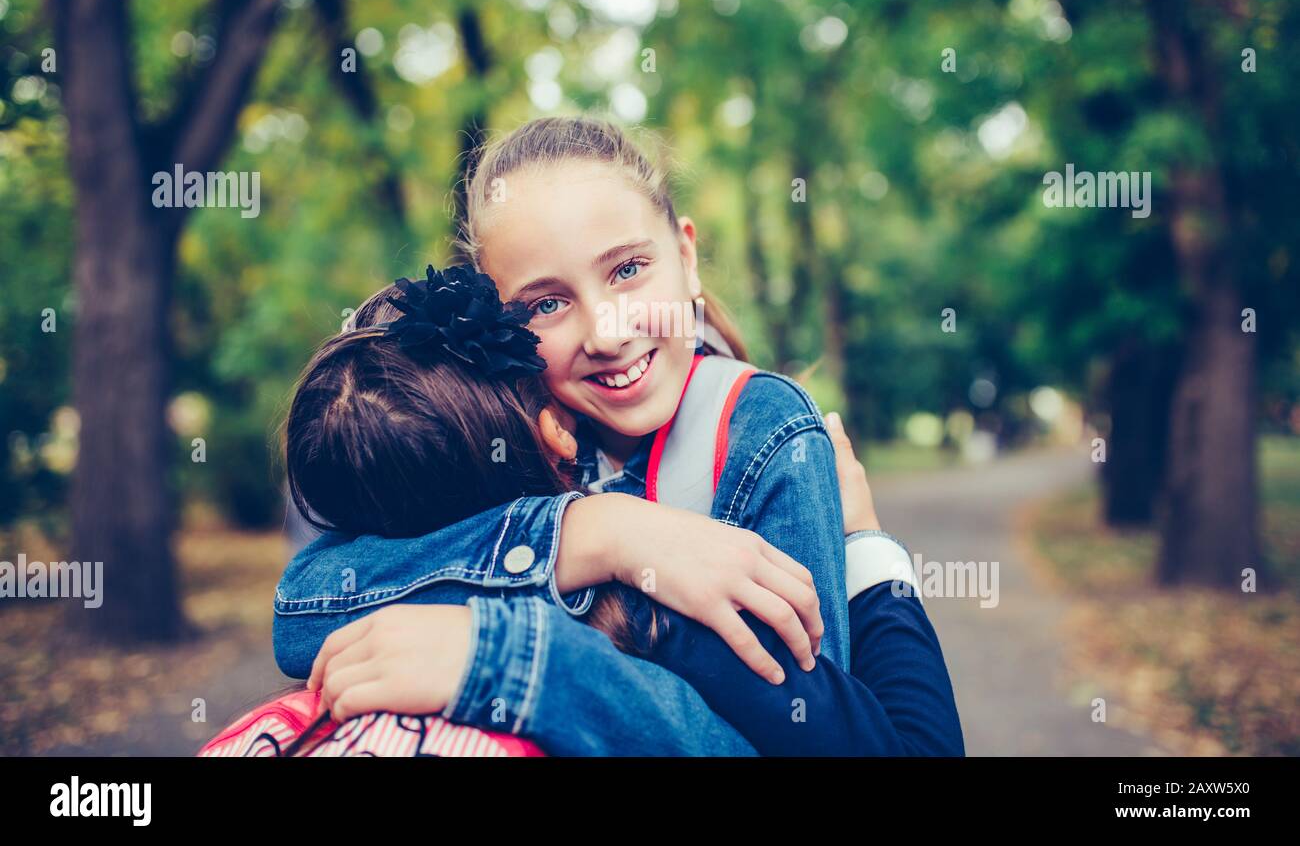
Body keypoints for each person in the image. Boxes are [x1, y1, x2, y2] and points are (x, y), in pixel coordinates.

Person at [275, 117, 961, 755]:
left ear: (686, 257)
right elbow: (303, 609)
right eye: (546, 304)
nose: (606, 332)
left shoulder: (762, 436)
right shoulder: (509, 433)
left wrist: (514, 661)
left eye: (628, 270)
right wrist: (599, 533)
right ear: (500, 324)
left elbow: (817, 737)